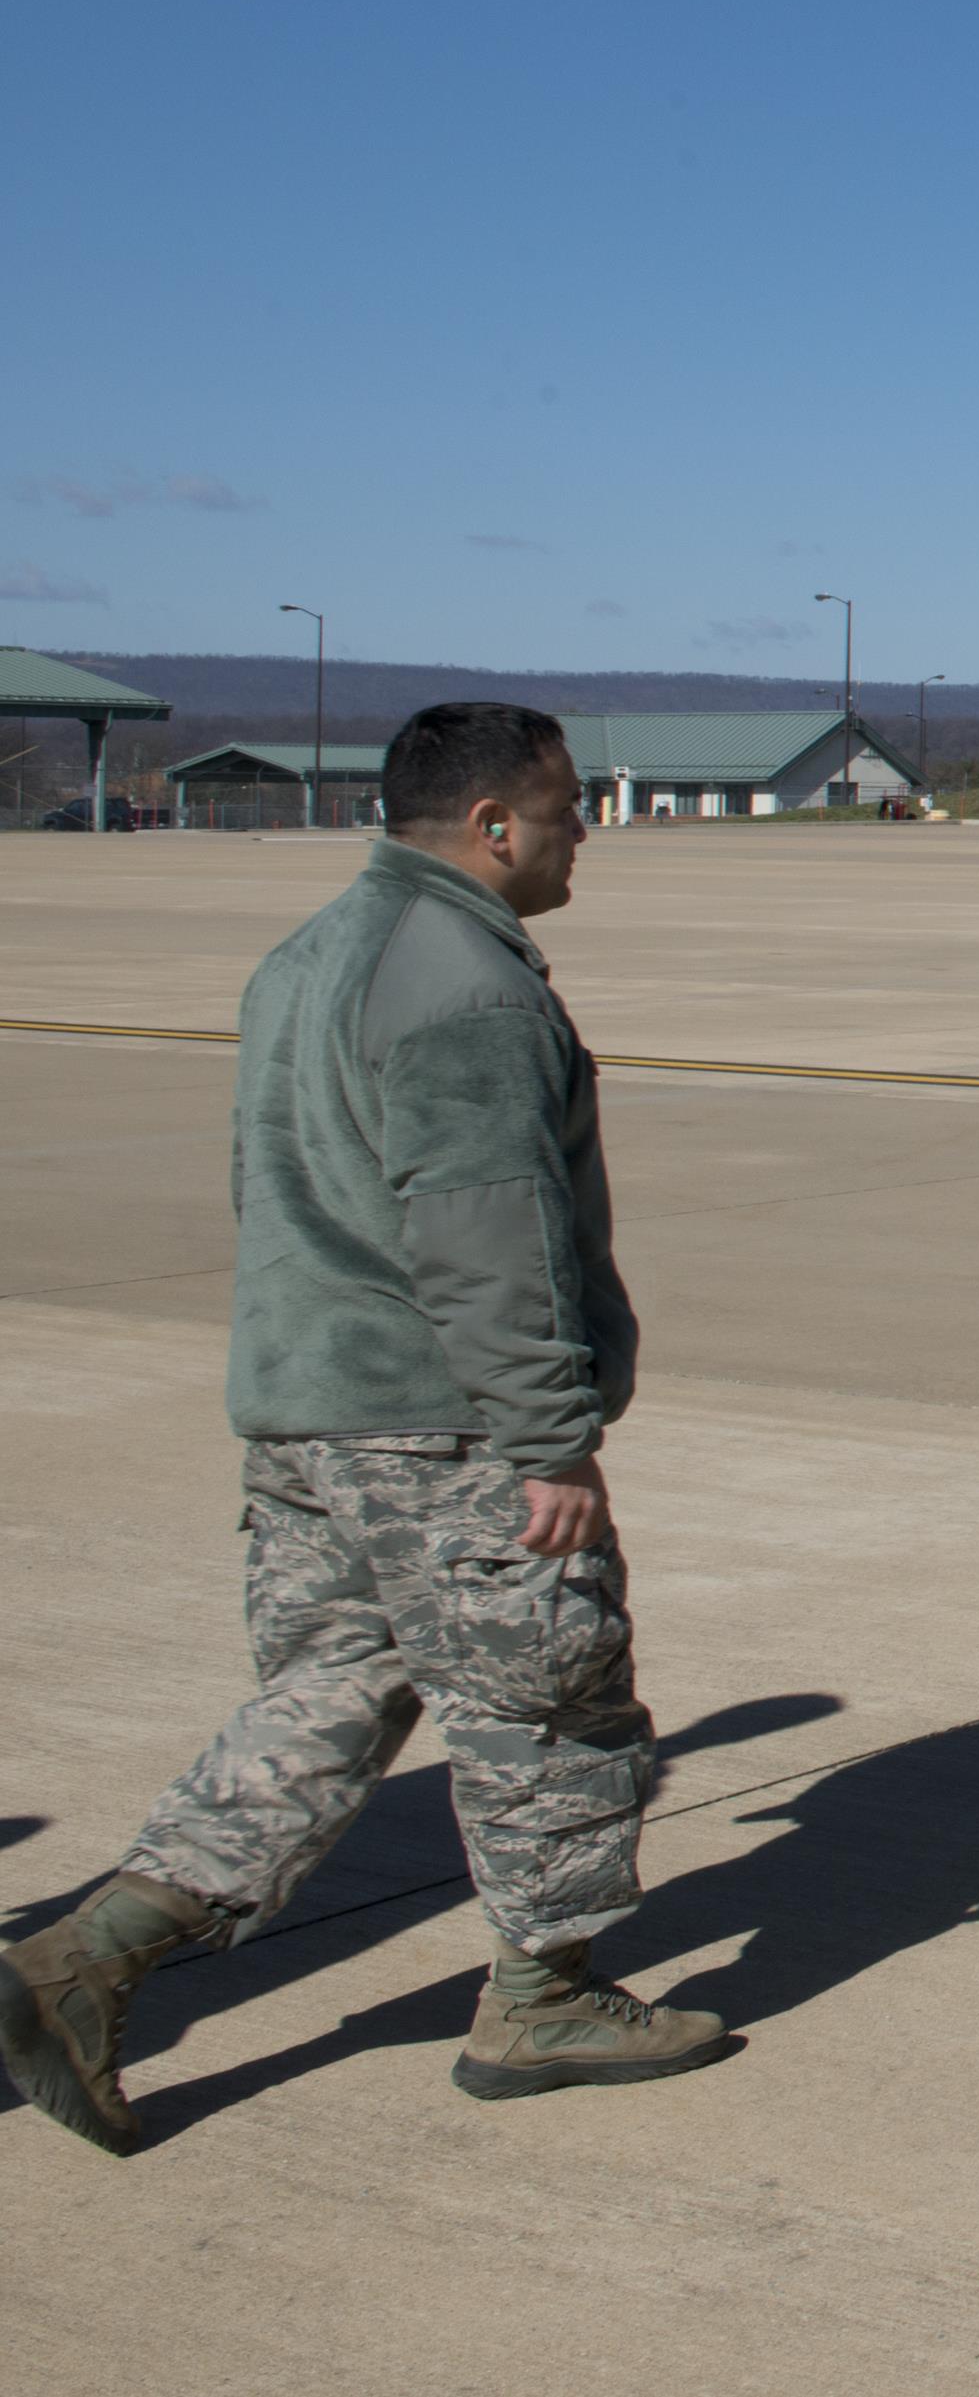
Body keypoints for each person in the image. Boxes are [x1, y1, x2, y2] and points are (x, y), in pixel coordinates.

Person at [2, 703, 728, 2148]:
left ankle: (84, 1959)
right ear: (495, 827)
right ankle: (543, 1993)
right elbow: (485, 1237)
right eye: (569, 804)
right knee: (552, 1702)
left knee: (330, 1691)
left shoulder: (311, 957)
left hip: (308, 1414)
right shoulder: (464, 983)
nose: (586, 828)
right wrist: (547, 1437)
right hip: (442, 1423)